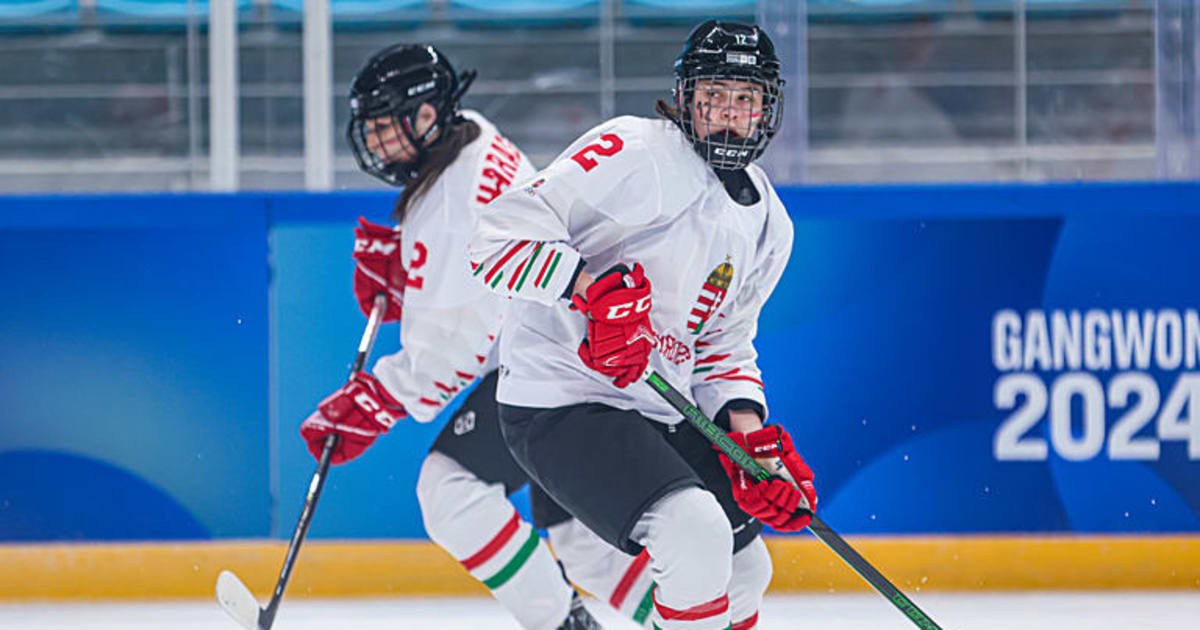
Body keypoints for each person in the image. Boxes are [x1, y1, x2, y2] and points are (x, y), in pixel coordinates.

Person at [468, 21, 819, 630]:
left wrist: (748, 442)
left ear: (768, 109)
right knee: (696, 534)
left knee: (747, 570)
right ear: (686, 99)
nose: (729, 115)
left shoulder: (770, 225)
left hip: (656, 409)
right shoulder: (635, 151)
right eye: (715, 96)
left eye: (746, 99)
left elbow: (722, 345)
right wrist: (587, 290)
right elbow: (498, 235)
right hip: (559, 399)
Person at [297, 43, 650, 630]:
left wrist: (376, 400)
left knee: (450, 491)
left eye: (388, 127)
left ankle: (563, 623)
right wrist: (415, 267)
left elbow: (450, 353)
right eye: (374, 129)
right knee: (581, 536)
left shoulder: (451, 203)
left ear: (429, 115)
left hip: (549, 361)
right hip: (571, 346)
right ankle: (688, 620)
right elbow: (474, 279)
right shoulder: (474, 135)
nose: (377, 143)